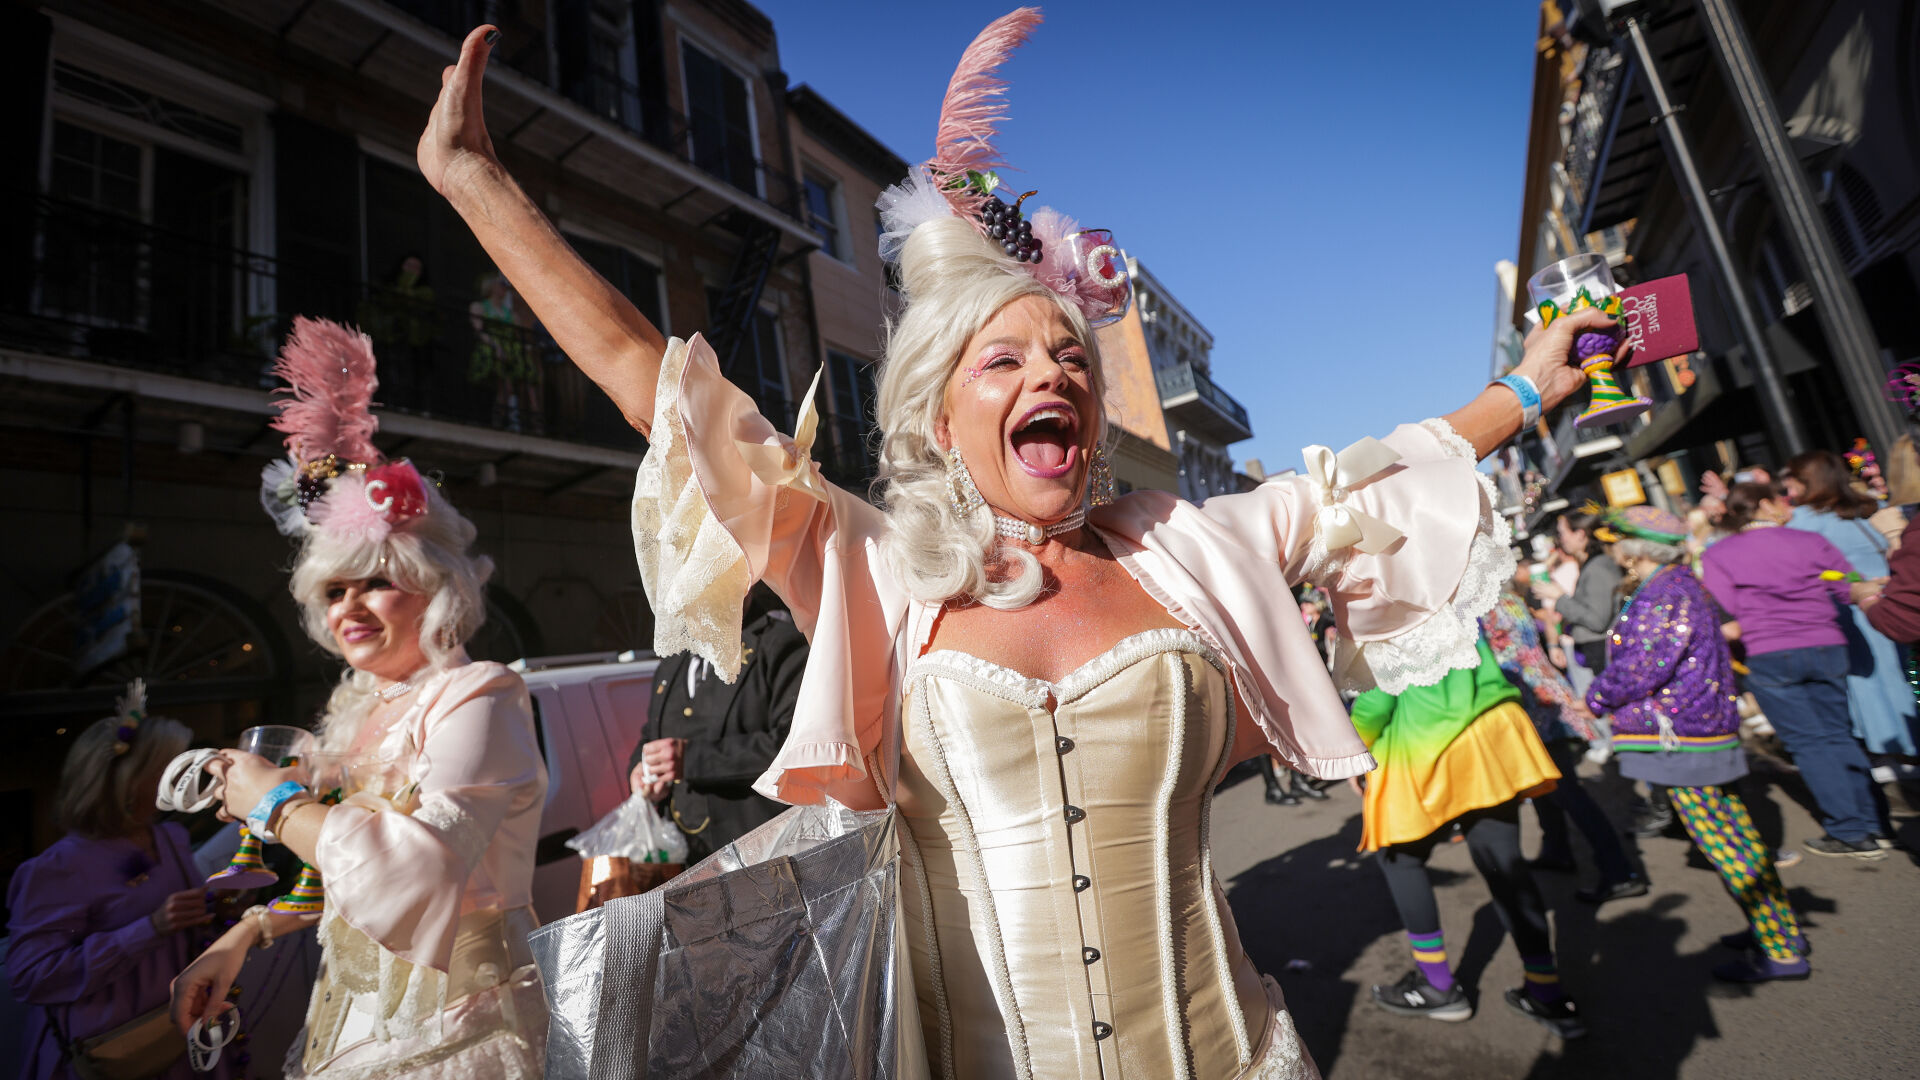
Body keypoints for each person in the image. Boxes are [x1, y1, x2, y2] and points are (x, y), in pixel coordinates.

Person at [415, 16, 1618, 1077]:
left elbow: (1359, 476)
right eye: (1005, 359)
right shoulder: (867, 563)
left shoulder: (1190, 549)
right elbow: (656, 389)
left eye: (1070, 358)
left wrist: (1527, 385)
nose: (1052, 372)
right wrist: (475, 183)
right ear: (941, 414)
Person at [168, 317, 550, 1075]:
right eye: (335, 590)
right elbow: (339, 883)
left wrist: (279, 805)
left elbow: (417, 870)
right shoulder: (361, 708)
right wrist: (242, 936)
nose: (350, 607)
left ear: (433, 589)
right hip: (348, 1020)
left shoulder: (483, 694)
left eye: (377, 581)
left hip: (456, 1030)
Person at [1585, 506, 1811, 982]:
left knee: (1726, 843)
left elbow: (1644, 665)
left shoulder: (1664, 592)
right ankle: (1774, 928)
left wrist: (1597, 696)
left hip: (1684, 736)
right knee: (1737, 835)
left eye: (1617, 539)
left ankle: (1781, 947)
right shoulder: (1676, 583)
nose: (1612, 547)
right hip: (1697, 728)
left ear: (1633, 549)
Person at [1351, 640, 1583, 1037]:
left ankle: (1438, 987)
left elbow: (1377, 704)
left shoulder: (1381, 612)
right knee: (1505, 866)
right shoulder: (1451, 593)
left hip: (1423, 742)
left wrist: (1352, 748)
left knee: (1399, 858)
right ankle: (1546, 993)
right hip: (1487, 735)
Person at [8, 686, 205, 1080]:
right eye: (171, 771)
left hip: (178, 1036)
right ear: (130, 782)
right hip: (110, 1051)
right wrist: (149, 928)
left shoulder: (170, 838)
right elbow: (31, 978)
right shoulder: (55, 870)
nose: (186, 779)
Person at [1700, 482, 1887, 859]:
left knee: (1808, 743)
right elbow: (1845, 583)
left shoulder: (1719, 553)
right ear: (1765, 504)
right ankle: (1874, 823)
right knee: (1838, 734)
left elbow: (1726, 612)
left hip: (1770, 651)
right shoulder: (1809, 541)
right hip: (1827, 644)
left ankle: (1850, 831)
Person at [1480, 569, 1643, 903]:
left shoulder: (1483, 609)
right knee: (1545, 784)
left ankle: (1619, 871)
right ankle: (1557, 850)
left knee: (1566, 789)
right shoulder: (1508, 599)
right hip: (1544, 693)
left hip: (1532, 702)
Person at [628, 583, 809, 861]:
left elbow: (796, 747)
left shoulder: (779, 644)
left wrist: (692, 759)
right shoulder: (673, 660)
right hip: (683, 861)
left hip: (756, 855)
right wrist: (640, 771)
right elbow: (650, 734)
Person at [1782, 450, 1920, 771]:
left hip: (1857, 609)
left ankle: (1895, 755)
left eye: (1792, 482)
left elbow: (1817, 573)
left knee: (1872, 681)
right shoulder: (1877, 506)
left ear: (1806, 483)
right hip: (1900, 599)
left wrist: (1857, 583)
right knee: (1905, 674)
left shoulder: (1805, 523)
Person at [469, 271, 541, 434]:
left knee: (527, 380)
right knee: (504, 383)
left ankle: (534, 420)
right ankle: (499, 420)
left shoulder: (512, 315)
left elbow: (518, 337)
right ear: (492, 286)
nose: (505, 289)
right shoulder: (479, 307)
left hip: (510, 349)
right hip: (490, 348)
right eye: (502, 285)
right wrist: (496, 346)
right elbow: (479, 331)